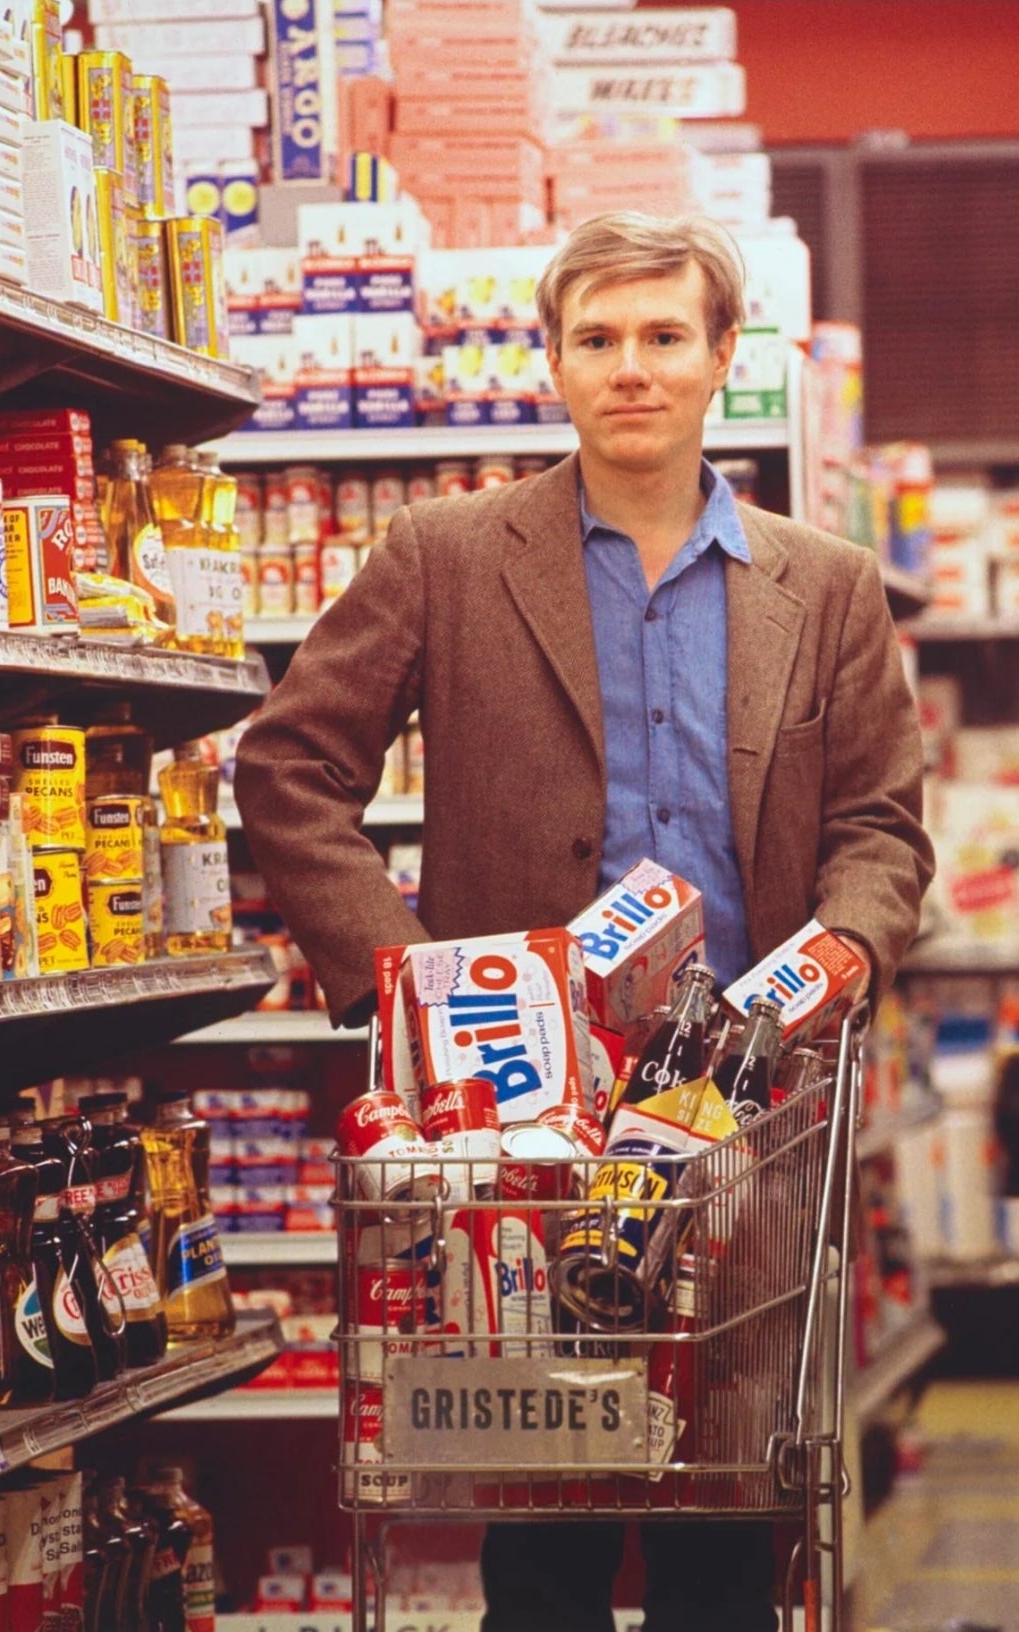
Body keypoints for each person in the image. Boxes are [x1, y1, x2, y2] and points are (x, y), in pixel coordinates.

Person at [234, 212, 934, 1632]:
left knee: (735, 1541)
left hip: (747, 1114)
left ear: (721, 360)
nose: (633, 370)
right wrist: (409, 984)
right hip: (526, 1121)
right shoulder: (445, 551)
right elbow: (288, 764)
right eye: (598, 339)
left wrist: (846, 947)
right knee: (541, 1547)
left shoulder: (827, 584)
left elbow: (879, 825)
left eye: (665, 337)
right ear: (551, 359)